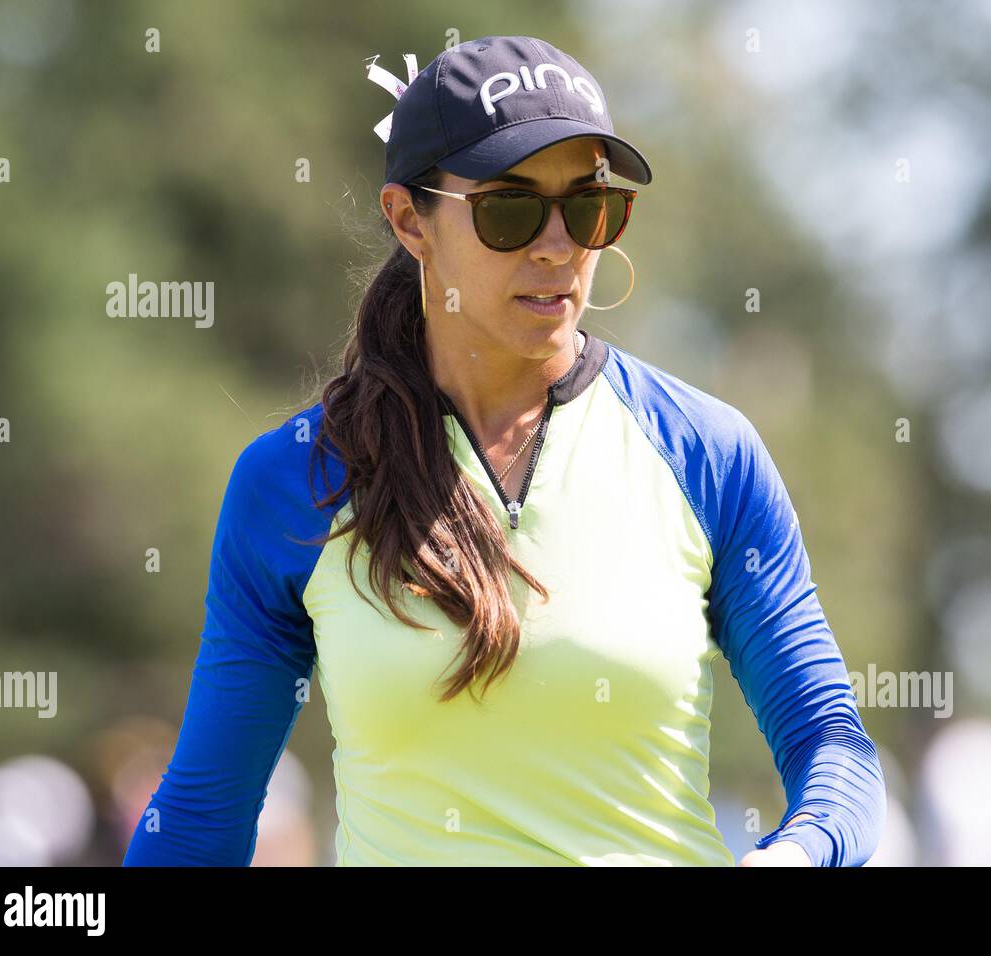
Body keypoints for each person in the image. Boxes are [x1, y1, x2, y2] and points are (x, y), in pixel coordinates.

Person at [122, 34, 886, 867]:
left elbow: (830, 742)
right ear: (411, 221)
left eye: (590, 206)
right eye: (511, 209)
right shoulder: (294, 481)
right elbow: (200, 817)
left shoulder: (708, 452)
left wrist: (801, 851)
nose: (559, 247)